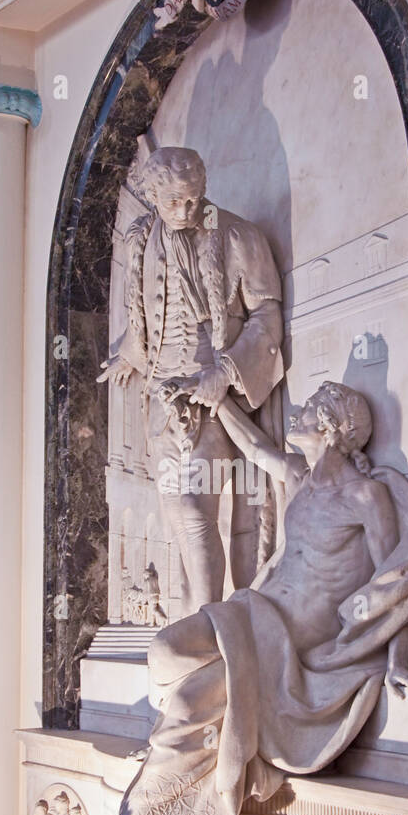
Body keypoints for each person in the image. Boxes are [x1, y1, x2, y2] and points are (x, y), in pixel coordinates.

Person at [55, 382, 408, 815]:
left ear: (330, 428)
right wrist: (218, 398)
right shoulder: (298, 477)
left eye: (310, 409)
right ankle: (176, 757)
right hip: (256, 609)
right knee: (164, 649)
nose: (298, 413)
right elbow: (254, 447)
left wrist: (395, 658)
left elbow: (393, 584)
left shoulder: (365, 496)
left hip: (293, 640)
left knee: (188, 697)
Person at [98, 147, 284, 611]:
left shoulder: (239, 235)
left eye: (193, 200)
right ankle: (197, 619)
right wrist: (128, 354)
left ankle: (209, 622)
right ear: (154, 195)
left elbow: (266, 315)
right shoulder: (140, 242)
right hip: (160, 401)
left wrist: (223, 373)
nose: (185, 210)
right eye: (174, 201)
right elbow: (145, 316)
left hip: (215, 397)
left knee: (192, 507)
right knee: (176, 518)